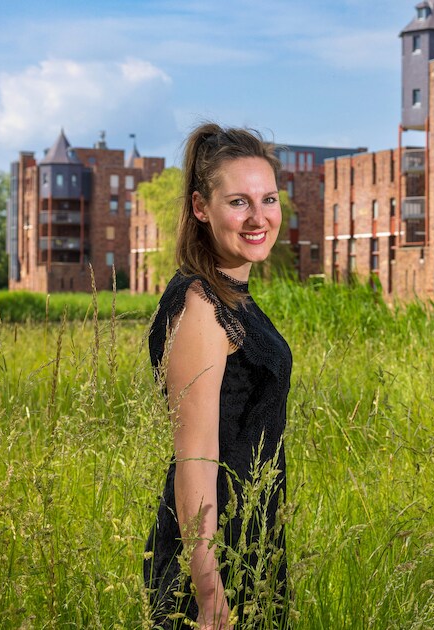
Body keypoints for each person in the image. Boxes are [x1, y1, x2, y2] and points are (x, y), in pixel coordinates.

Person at [144, 123, 292, 629]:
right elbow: (195, 459)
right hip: (215, 554)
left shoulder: (232, 298)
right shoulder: (202, 306)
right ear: (201, 208)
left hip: (251, 537)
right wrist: (210, 594)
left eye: (268, 199)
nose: (259, 218)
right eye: (238, 202)